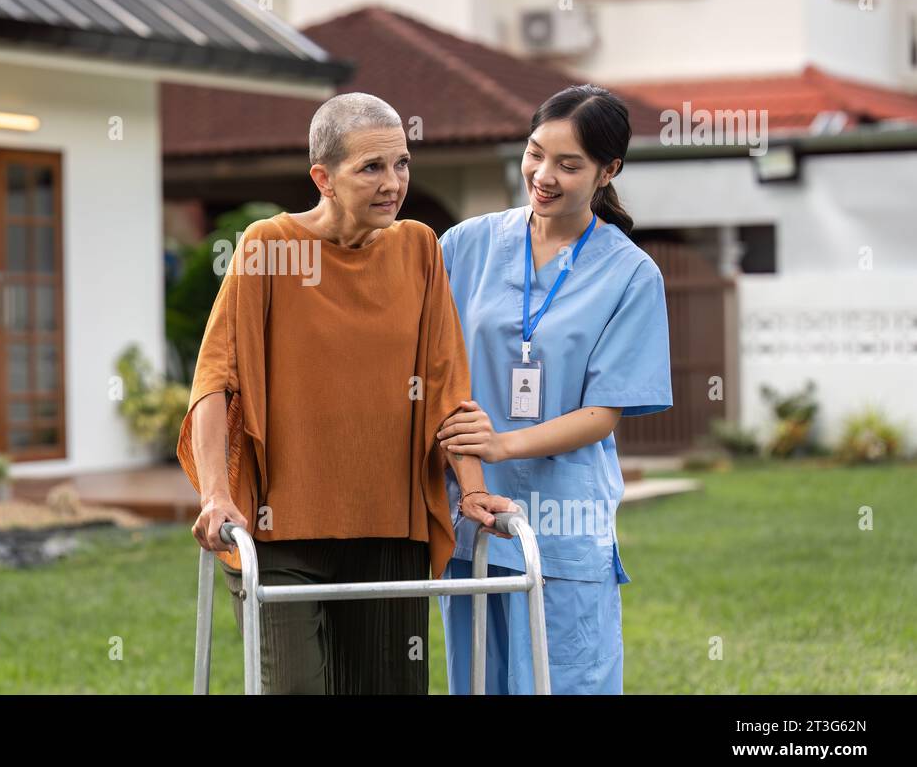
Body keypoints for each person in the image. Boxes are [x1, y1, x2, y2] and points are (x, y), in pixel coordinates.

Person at [175, 92, 515, 694]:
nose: (393, 183)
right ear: (323, 178)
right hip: (280, 530)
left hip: (390, 526)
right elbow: (214, 383)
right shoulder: (268, 246)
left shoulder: (419, 250)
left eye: (402, 164)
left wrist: (476, 489)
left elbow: (446, 388)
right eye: (372, 168)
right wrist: (216, 496)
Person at [435, 84, 673, 694]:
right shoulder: (466, 245)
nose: (543, 175)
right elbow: (437, 375)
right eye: (535, 153)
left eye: (569, 165)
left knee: (566, 683)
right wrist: (474, 472)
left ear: (607, 170)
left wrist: (502, 445)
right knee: (479, 682)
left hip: (564, 521)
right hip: (475, 514)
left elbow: (601, 413)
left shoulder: (630, 275)